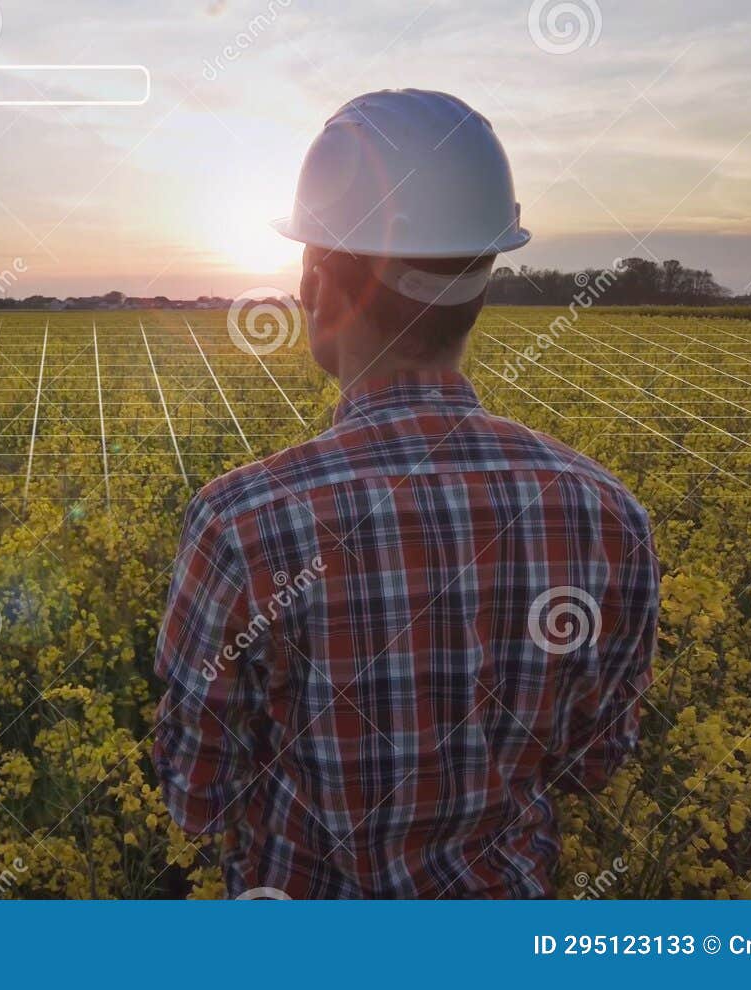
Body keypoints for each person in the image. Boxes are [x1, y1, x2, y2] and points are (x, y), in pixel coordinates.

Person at [151, 90, 659, 898]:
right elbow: (595, 762)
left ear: (317, 282)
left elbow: (195, 796)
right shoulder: (606, 512)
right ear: (483, 283)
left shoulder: (245, 523)